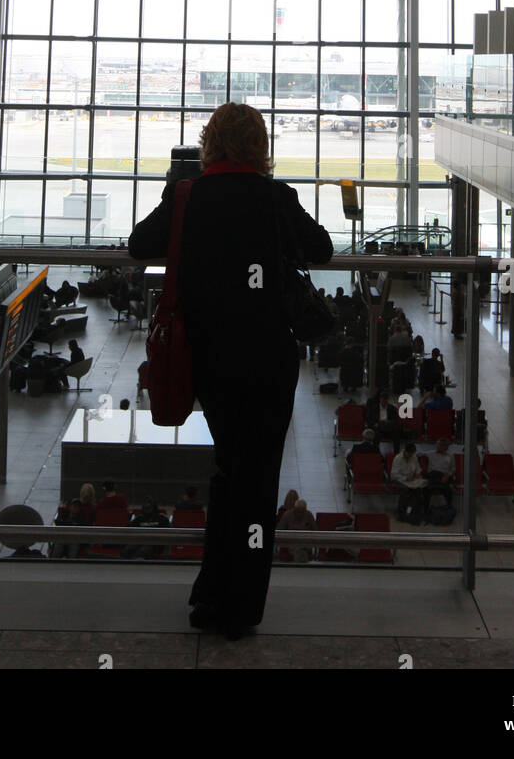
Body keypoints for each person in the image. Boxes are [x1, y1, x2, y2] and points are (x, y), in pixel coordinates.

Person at [129, 101, 333, 640]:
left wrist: (178, 198)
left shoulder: (188, 195)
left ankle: (210, 594)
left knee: (227, 473)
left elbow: (138, 246)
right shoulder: (275, 198)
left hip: (211, 360)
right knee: (257, 485)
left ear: (209, 143)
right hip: (269, 361)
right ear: (261, 146)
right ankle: (239, 606)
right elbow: (323, 251)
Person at [391, 442, 426, 523]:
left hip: (411, 479)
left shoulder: (414, 457)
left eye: (412, 454)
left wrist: (418, 474)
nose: (411, 456)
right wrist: (405, 478)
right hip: (399, 479)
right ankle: (401, 514)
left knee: (419, 491)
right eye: (409, 454)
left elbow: (417, 468)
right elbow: (394, 474)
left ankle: (416, 513)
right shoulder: (398, 458)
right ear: (405, 451)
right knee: (405, 491)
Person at [276, 497, 316, 563]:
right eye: (298, 511)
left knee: (302, 548)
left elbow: (315, 530)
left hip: (305, 541)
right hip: (291, 541)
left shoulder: (309, 515)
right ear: (294, 509)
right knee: (298, 549)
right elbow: (279, 530)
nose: (300, 513)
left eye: (303, 511)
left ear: (305, 509)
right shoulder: (287, 515)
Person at [424, 437, 454, 513]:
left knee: (448, 489)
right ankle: (426, 509)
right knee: (426, 488)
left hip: (444, 475)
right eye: (437, 445)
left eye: (438, 445)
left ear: (444, 447)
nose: (436, 447)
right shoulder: (430, 453)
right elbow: (417, 454)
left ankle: (448, 508)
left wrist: (447, 475)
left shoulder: (450, 456)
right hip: (432, 475)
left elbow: (453, 469)